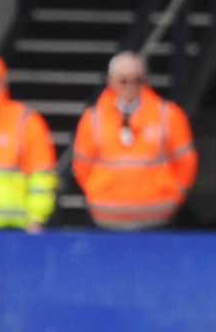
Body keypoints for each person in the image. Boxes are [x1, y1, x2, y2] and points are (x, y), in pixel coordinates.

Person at [73, 51, 197, 231]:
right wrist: (97, 192)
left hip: (158, 219)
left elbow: (187, 163)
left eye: (137, 80)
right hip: (105, 220)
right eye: (123, 80)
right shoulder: (93, 118)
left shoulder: (169, 114)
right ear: (111, 81)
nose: (131, 85)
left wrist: (175, 196)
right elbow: (81, 166)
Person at [0, 53, 55, 233]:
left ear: (3, 82)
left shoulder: (25, 120)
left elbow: (41, 176)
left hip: (9, 228)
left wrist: (37, 217)